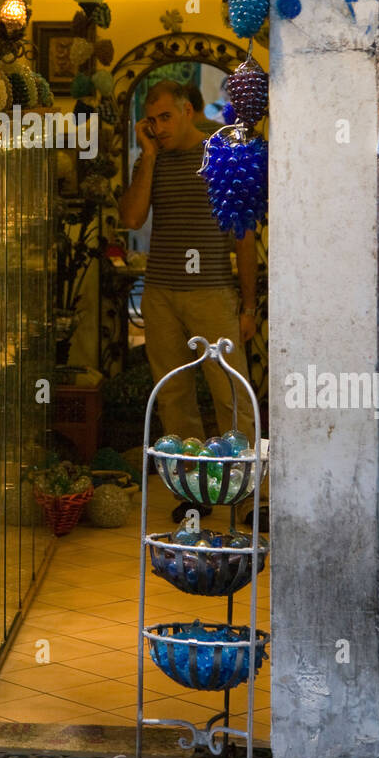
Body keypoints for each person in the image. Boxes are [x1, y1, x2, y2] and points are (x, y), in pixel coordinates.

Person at [118, 79, 265, 524]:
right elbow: (130, 217)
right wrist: (147, 155)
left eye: (166, 117)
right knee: (173, 397)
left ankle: (246, 493)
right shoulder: (155, 160)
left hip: (214, 291)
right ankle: (195, 491)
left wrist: (248, 305)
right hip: (161, 291)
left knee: (231, 394)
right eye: (152, 120)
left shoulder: (223, 155)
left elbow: (243, 234)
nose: (159, 127)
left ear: (187, 111)